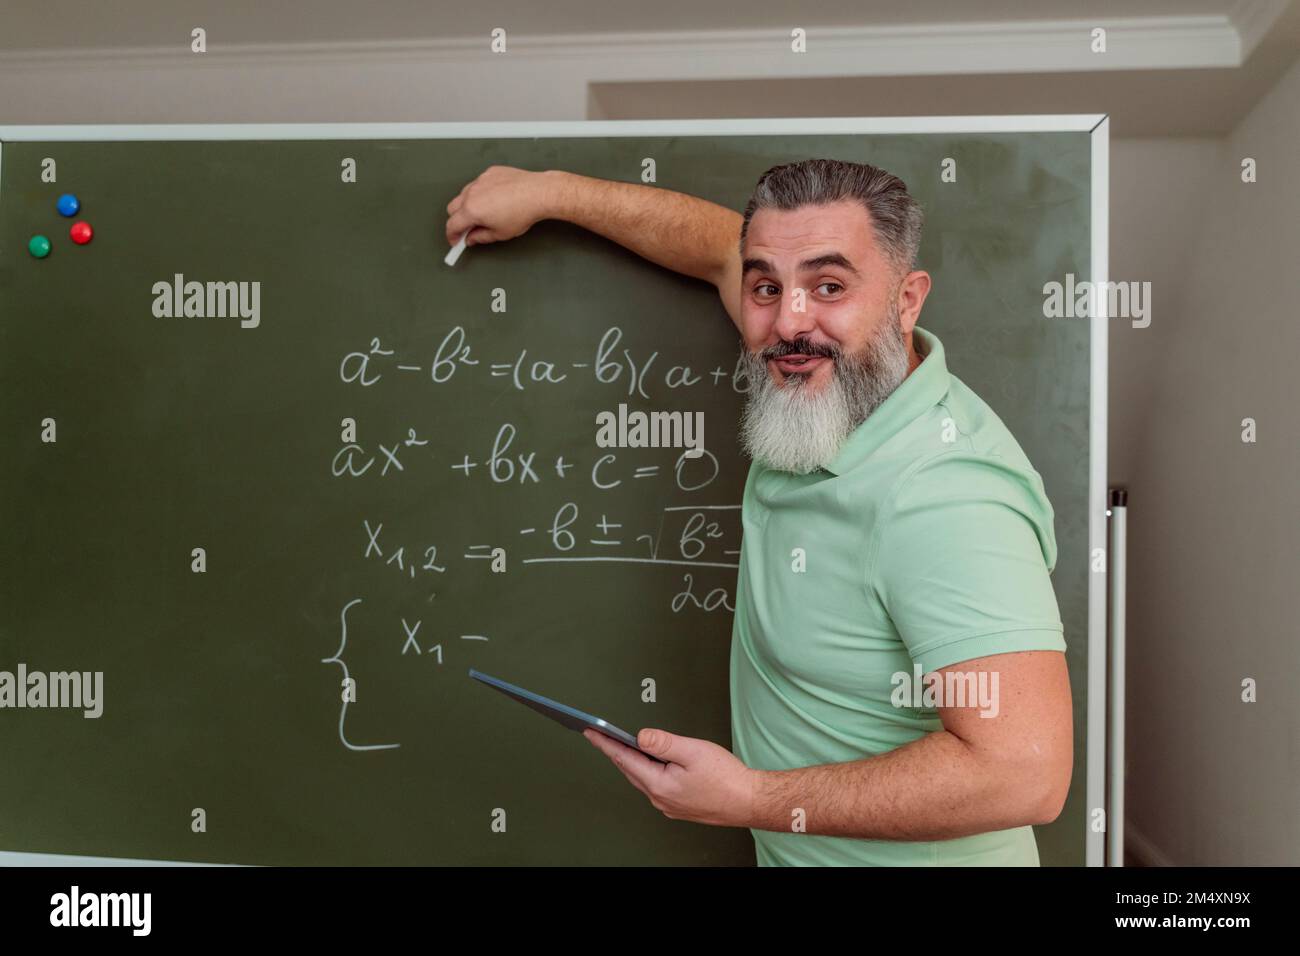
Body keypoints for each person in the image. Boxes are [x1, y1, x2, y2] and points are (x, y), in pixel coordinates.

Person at [445, 159, 1073, 866]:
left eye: (829, 286)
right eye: (766, 287)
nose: (789, 322)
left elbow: (1024, 772)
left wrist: (751, 800)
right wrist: (552, 193)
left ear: (906, 300)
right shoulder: (817, 381)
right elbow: (719, 246)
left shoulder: (947, 494)